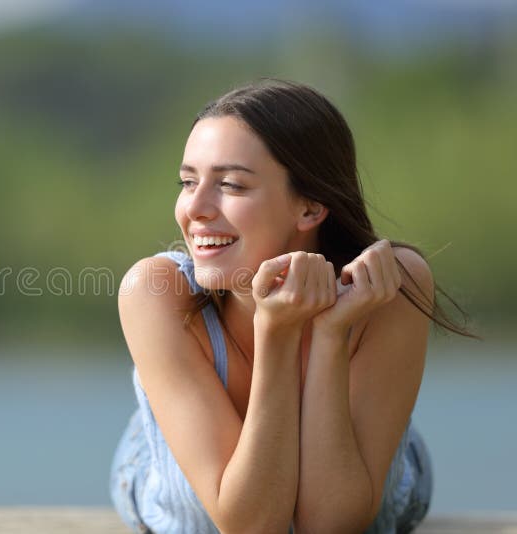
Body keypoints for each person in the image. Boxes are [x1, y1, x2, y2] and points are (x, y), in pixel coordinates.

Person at [108, 79, 479, 534]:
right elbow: (252, 526)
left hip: (371, 457)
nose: (195, 209)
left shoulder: (389, 286)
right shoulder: (155, 290)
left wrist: (328, 334)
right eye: (188, 182)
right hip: (171, 472)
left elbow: (330, 525)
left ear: (309, 208)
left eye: (230, 184)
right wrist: (277, 332)